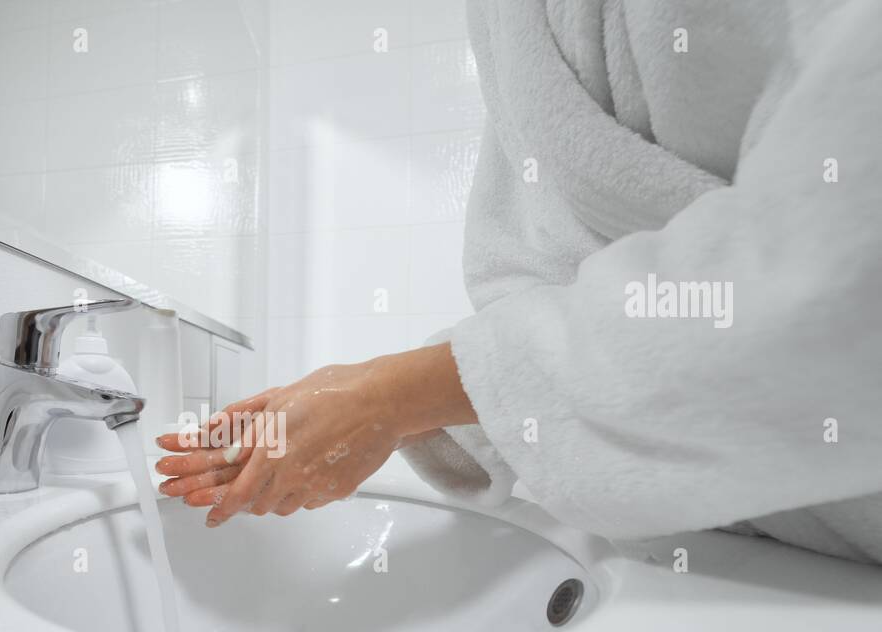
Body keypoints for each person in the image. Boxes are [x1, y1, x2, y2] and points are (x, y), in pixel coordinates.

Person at [155, 0, 882, 564]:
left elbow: (846, 262)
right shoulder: (510, 20)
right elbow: (541, 272)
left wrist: (386, 398)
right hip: (743, 546)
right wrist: (390, 412)